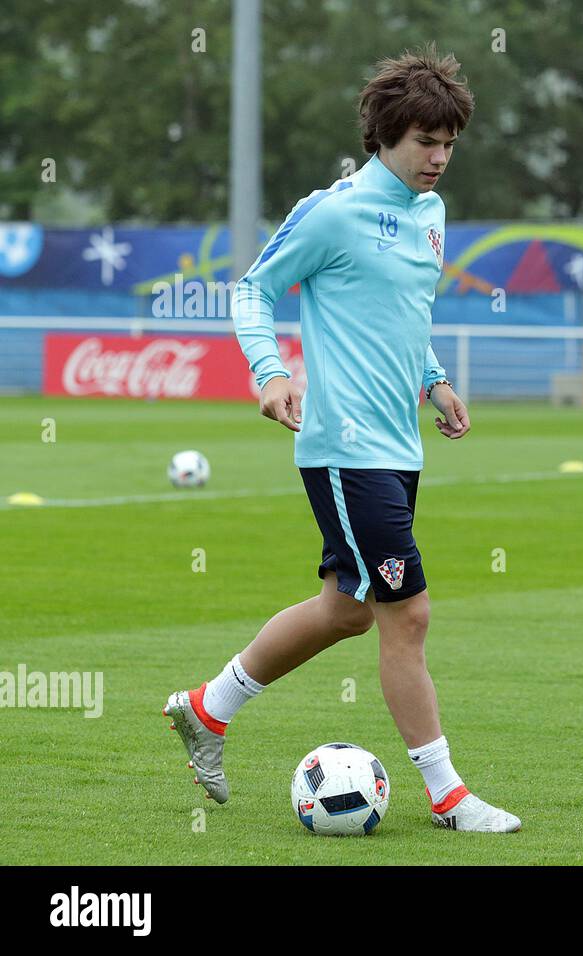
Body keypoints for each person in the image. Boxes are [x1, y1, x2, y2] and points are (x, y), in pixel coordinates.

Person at [164, 45, 520, 830]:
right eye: (425, 142)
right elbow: (253, 288)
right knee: (409, 614)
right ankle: (449, 795)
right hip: (343, 445)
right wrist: (270, 370)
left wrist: (433, 379)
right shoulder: (332, 211)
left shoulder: (431, 215)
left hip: (398, 446)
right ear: (385, 137)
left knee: (347, 609)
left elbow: (405, 315)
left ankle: (207, 708)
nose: (438, 159)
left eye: (449, 143)